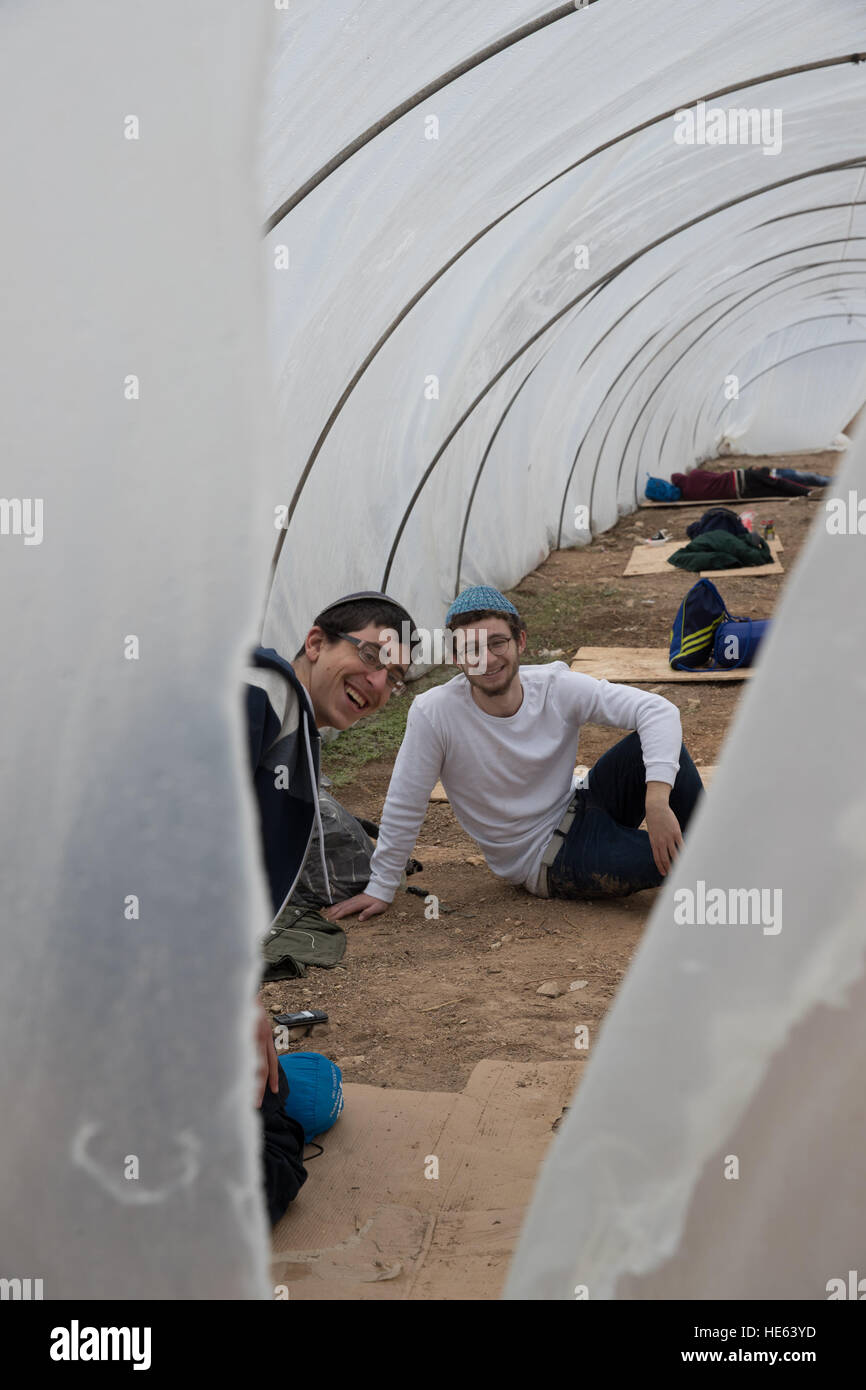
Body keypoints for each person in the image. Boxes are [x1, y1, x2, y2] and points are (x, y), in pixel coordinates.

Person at [325, 585, 703, 924]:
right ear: (456, 659)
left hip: (584, 802)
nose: (486, 659)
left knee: (659, 750)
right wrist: (382, 885)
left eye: (497, 643)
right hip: (548, 856)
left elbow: (659, 711)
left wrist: (656, 802)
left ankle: (719, 840)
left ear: (520, 641)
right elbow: (406, 801)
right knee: (694, 860)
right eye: (470, 649)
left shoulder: (554, 686)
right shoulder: (435, 713)